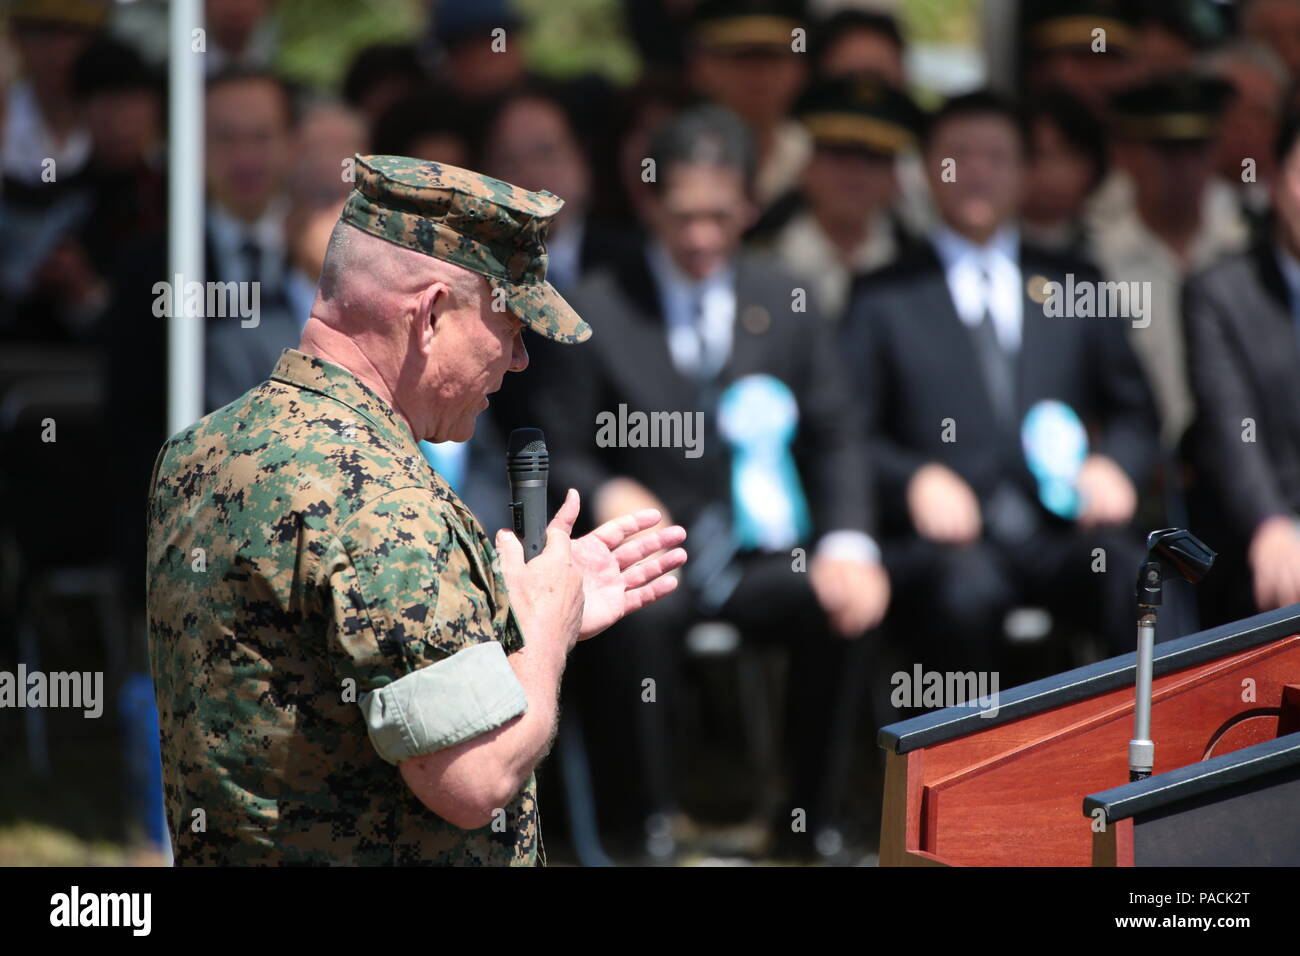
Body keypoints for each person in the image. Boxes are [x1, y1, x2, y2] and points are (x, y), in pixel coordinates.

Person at [146, 155, 688, 865]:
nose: (520, 359)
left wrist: (515, 610)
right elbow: (471, 776)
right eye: (511, 326)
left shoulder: (203, 448)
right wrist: (545, 634)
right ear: (431, 314)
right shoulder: (383, 499)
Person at [536, 104, 889, 862]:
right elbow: (556, 446)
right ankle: (647, 828)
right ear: (649, 203)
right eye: (684, 216)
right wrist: (606, 492)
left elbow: (835, 435)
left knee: (838, 606)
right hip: (652, 554)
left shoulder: (788, 300)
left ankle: (809, 822)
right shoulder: (594, 305)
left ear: (751, 208)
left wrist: (850, 542)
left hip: (768, 551)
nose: (701, 237)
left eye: (720, 218)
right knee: (636, 622)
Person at [842, 91, 1159, 675]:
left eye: (997, 156)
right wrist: (913, 479)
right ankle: (970, 766)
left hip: (1062, 531)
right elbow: (845, 431)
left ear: (1025, 172)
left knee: (1132, 569)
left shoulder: (1073, 280)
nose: (978, 172)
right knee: (965, 592)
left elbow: (1137, 412)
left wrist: (1114, 464)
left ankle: (1141, 759)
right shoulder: (882, 294)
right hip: (949, 544)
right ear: (925, 171)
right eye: (958, 156)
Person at [1182, 111, 1300, 625]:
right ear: (1274, 181)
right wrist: (1269, 520)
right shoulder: (1220, 292)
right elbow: (1230, 425)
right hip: (1259, 537)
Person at [770, 75, 922, 321]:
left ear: (895, 178)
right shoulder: (762, 255)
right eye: (839, 155)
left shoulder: (920, 269)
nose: (855, 175)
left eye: (874, 159)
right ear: (806, 167)